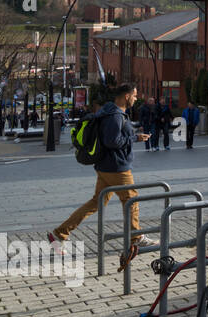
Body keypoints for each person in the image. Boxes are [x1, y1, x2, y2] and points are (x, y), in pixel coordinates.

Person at [48, 82, 155, 255]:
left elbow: (113, 136)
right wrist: (135, 138)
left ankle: (60, 233)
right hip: (117, 168)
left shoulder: (109, 112)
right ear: (126, 96)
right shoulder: (116, 115)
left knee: (96, 203)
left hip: (105, 167)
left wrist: (132, 133)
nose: (136, 98)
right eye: (134, 95)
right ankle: (136, 237)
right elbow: (112, 141)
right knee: (131, 200)